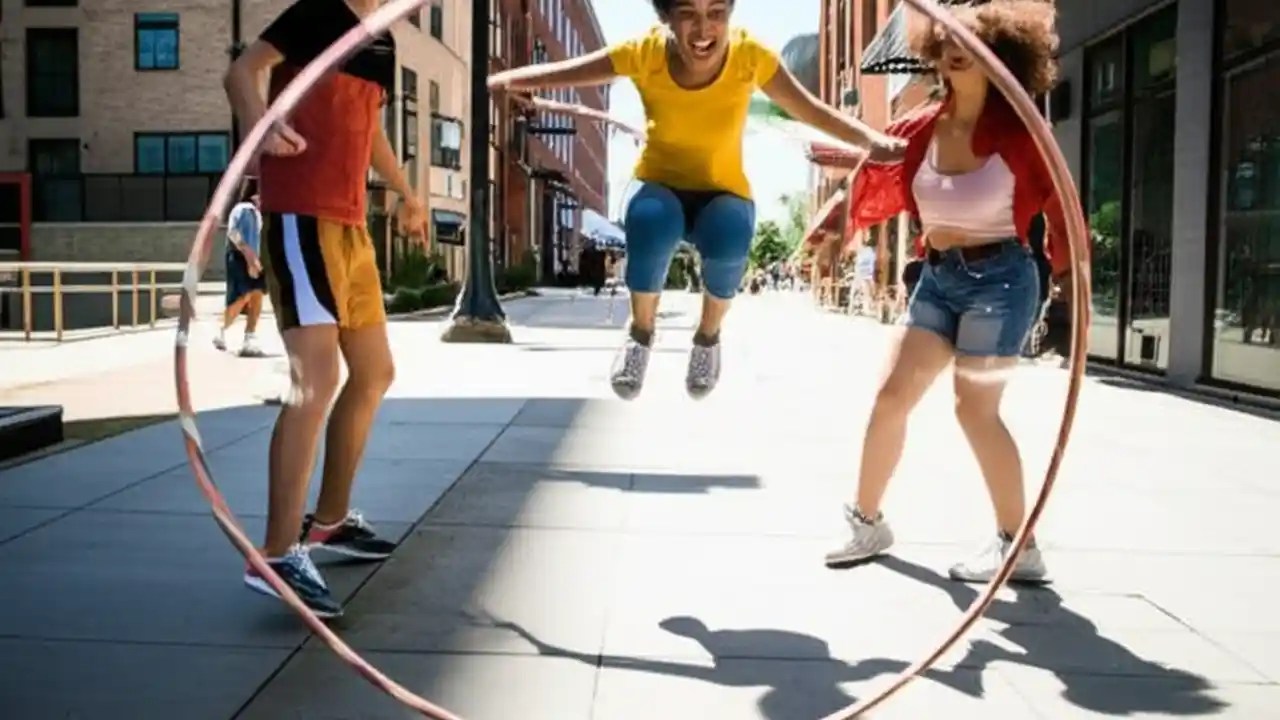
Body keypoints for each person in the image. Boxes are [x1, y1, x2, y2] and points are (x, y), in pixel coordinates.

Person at [487, 0, 904, 400]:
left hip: (722, 193)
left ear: (730, 14)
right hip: (658, 184)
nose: (704, 30)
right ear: (666, 17)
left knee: (731, 235)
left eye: (716, 14)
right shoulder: (645, 52)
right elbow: (574, 71)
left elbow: (811, 110)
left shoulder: (749, 56)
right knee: (650, 221)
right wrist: (508, 81)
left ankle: (707, 338)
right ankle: (640, 335)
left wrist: (872, 141)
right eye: (688, 15)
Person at [819, 0, 1085, 583]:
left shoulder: (1022, 134)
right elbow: (872, 170)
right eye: (948, 40)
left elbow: (1063, 208)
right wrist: (832, 227)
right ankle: (867, 522)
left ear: (1001, 56)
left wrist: (1070, 275)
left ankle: (1020, 547)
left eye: (972, 40)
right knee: (891, 397)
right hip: (938, 279)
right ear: (934, 52)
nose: (957, 49)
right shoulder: (919, 127)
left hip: (1002, 280)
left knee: (975, 410)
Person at [223, 0, 428, 618]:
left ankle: (329, 521)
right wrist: (259, 125)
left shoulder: (382, 41)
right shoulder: (315, 12)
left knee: (374, 372)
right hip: (300, 214)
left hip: (351, 225)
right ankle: (278, 552)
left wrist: (408, 194)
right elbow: (240, 73)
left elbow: (371, 131)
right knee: (315, 380)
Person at [216, 180, 267, 357]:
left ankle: (250, 337)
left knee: (256, 295)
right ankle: (221, 330)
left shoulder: (257, 213)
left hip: (253, 258)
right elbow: (234, 233)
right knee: (242, 296)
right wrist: (249, 257)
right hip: (240, 257)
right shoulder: (245, 209)